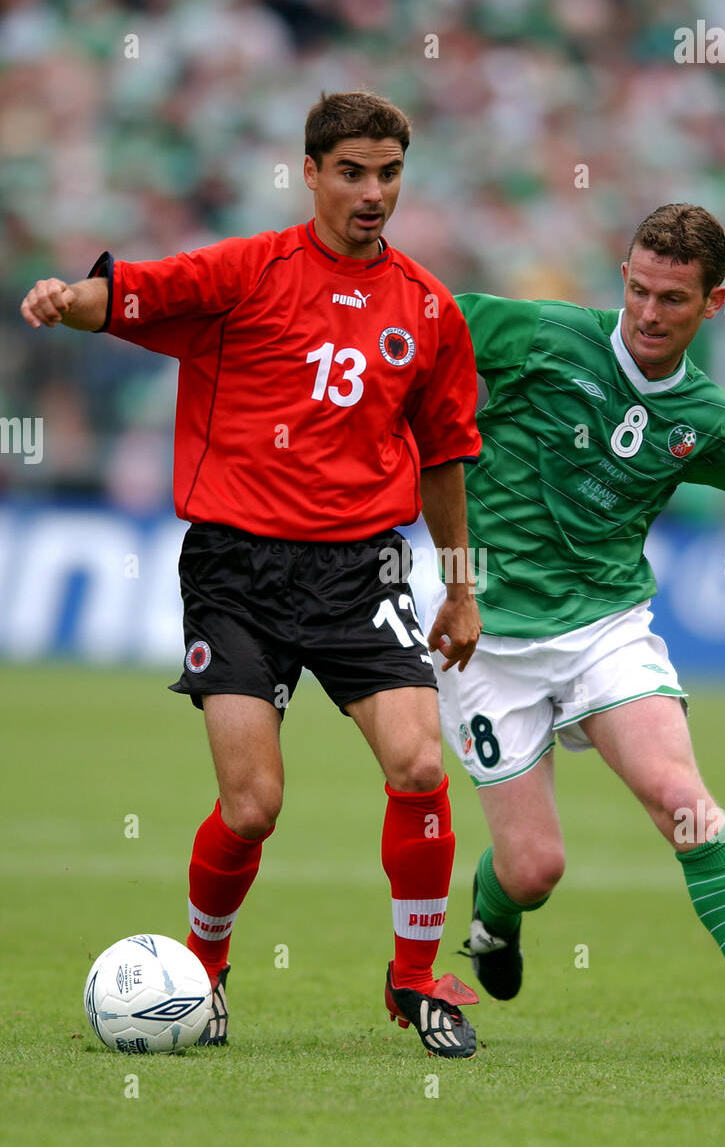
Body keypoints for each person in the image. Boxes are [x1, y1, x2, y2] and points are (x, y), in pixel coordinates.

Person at [20, 90, 484, 1059]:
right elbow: (135, 294)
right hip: (236, 567)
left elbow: (443, 454)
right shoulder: (246, 271)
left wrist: (460, 584)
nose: (372, 193)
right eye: (351, 173)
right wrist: (71, 302)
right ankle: (202, 971)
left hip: (362, 570)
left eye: (388, 174)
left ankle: (412, 981)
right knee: (253, 805)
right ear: (309, 173)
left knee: (419, 762)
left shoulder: (429, 310)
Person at [431, 202, 725, 1063]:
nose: (648, 313)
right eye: (637, 290)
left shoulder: (707, 418)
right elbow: (414, 326)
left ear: (714, 303)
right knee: (534, 870)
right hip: (488, 632)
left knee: (681, 799)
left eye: (673, 298)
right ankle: (492, 918)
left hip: (606, 628)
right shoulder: (544, 335)